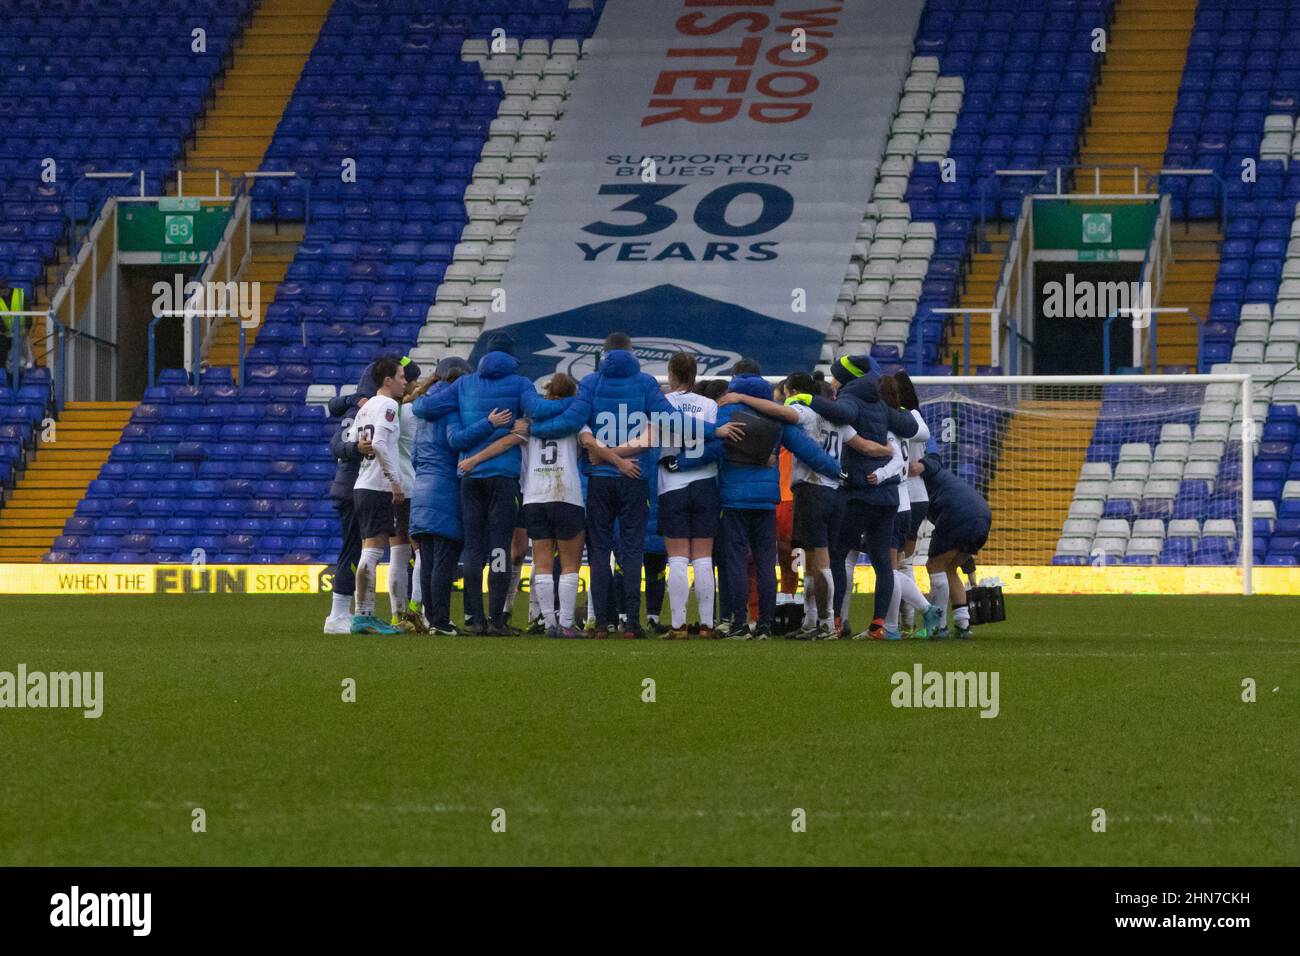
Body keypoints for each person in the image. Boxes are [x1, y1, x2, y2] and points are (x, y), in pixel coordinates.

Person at [533, 332, 741, 638]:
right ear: (632, 355)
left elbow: (572, 421)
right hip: (634, 477)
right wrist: (714, 432)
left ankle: (601, 623)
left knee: (600, 552)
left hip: (600, 479)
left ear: (603, 355)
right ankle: (631, 622)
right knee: (631, 551)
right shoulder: (645, 383)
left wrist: (536, 428)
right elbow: (672, 421)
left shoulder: (591, 383)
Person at [410, 331, 571, 635]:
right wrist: (576, 403)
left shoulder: (464, 384)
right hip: (502, 477)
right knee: (499, 547)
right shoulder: (520, 383)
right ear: (511, 356)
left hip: (469, 478)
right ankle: (497, 619)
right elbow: (539, 411)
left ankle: (475, 618)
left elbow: (423, 409)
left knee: (473, 548)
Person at [671, 360, 843, 639]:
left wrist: (679, 464)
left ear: (735, 379)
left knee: (737, 561)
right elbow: (808, 450)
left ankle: (739, 623)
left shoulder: (726, 411)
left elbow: (712, 450)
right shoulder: (774, 415)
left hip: (734, 499)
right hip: (766, 500)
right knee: (766, 562)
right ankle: (764, 623)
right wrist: (837, 470)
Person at [459, 372, 594, 637]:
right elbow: (589, 444)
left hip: (534, 497)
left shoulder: (528, 424)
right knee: (569, 564)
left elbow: (504, 443)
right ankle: (566, 624)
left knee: (541, 562)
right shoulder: (577, 422)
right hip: (567, 494)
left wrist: (474, 460)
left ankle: (548, 623)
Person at [800, 352, 920, 641]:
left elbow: (842, 415)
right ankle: (880, 624)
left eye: (835, 376)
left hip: (858, 491)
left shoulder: (850, 398)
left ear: (845, 378)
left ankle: (837, 620)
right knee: (883, 563)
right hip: (889, 495)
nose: (832, 381)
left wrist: (806, 400)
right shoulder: (881, 402)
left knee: (839, 556)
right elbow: (912, 427)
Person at [409, 357, 474, 636]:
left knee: (428, 560)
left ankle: (431, 618)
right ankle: (441, 621)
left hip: (420, 489)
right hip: (444, 488)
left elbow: (413, 456)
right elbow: (455, 441)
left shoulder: (422, 413)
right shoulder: (451, 410)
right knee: (444, 561)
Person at [657, 352, 720, 638]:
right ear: (695, 375)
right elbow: (718, 443)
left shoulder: (662, 404)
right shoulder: (710, 405)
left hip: (672, 484)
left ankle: (678, 625)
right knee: (704, 558)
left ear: (671, 374)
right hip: (705, 482)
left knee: (678, 558)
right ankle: (707, 625)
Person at [349, 358, 409, 635]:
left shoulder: (366, 407)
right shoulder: (387, 406)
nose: (405, 382)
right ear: (388, 380)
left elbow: (356, 443)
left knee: (369, 549)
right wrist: (395, 482)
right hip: (377, 485)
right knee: (373, 550)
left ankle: (365, 614)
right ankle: (364, 615)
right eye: (401, 376)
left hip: (363, 482)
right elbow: (379, 444)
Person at [912, 452, 993, 640]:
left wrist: (921, 466)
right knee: (950, 568)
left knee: (934, 566)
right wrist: (970, 568)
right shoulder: (946, 479)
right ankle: (963, 624)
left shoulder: (925, 474)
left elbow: (932, 464)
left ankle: (938, 627)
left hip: (957, 514)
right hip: (982, 515)